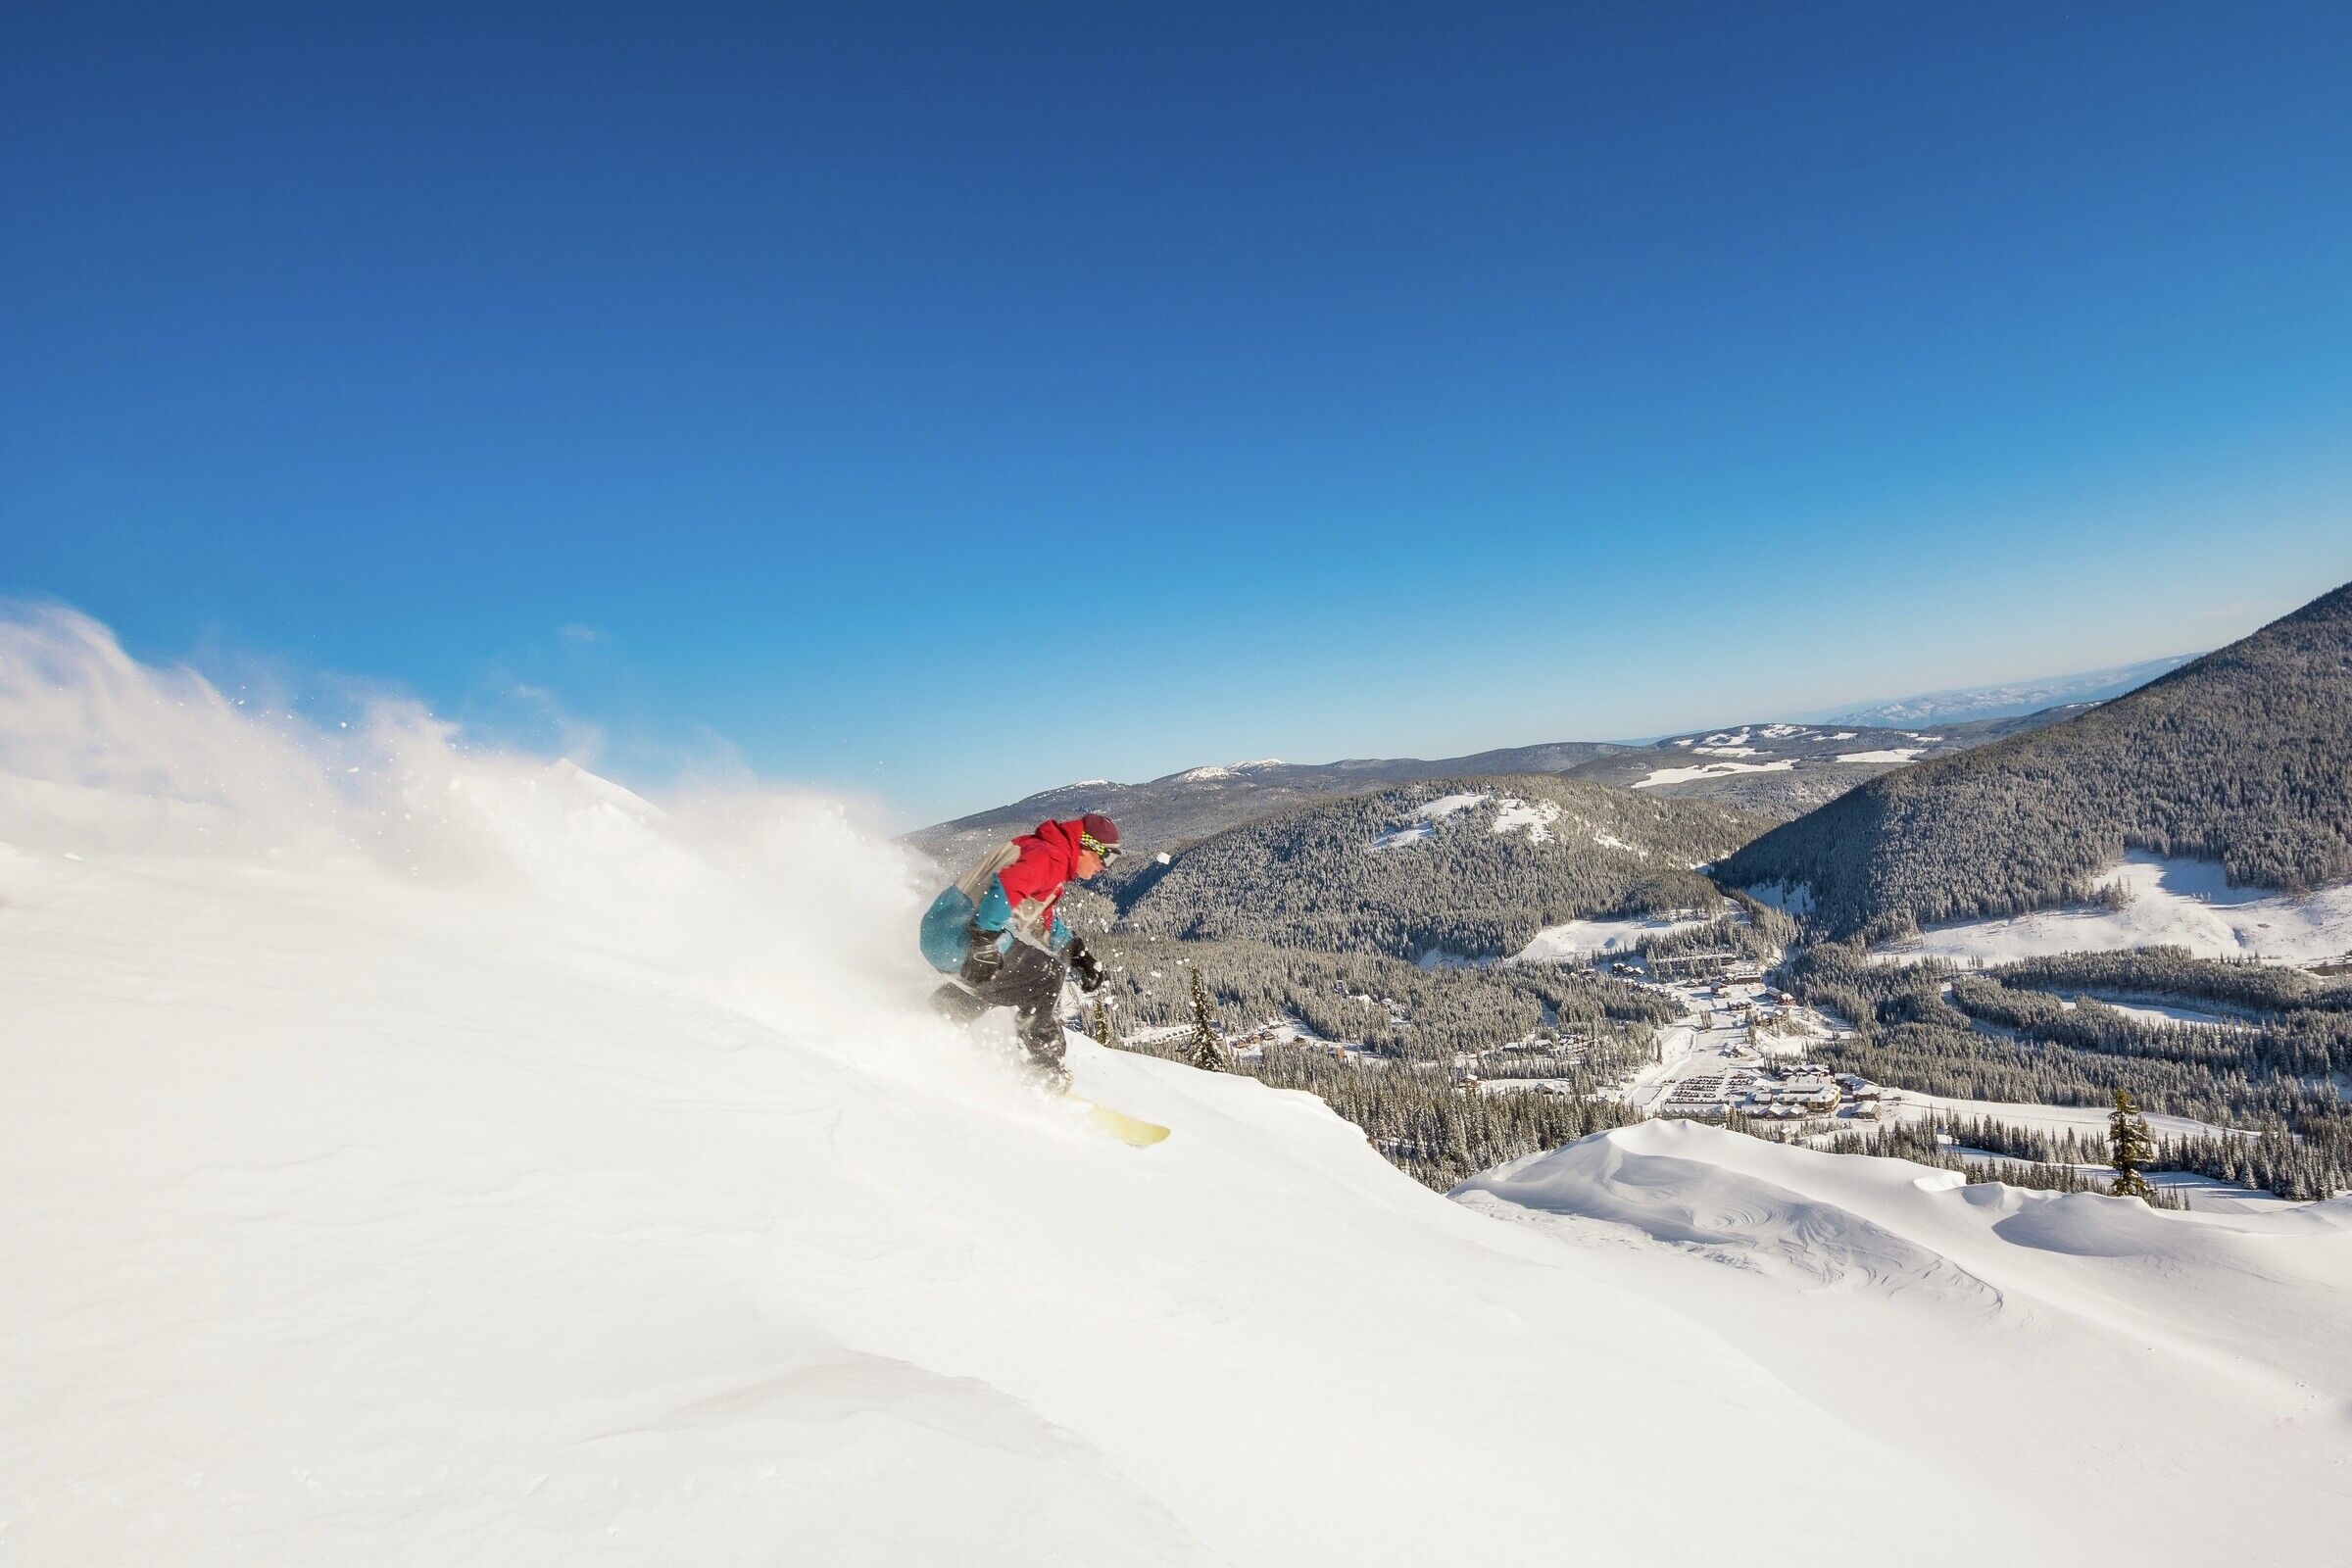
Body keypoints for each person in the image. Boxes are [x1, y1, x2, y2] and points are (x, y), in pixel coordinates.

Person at [919, 812, 1120, 1086]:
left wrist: (1076, 953)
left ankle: (940, 1016)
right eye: (1106, 858)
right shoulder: (1050, 857)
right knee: (1045, 976)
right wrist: (984, 941)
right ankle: (1043, 1072)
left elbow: (1039, 919)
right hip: (960, 936)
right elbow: (1006, 886)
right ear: (1088, 847)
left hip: (941, 934)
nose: (1104, 868)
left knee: (1009, 983)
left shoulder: (1045, 853)